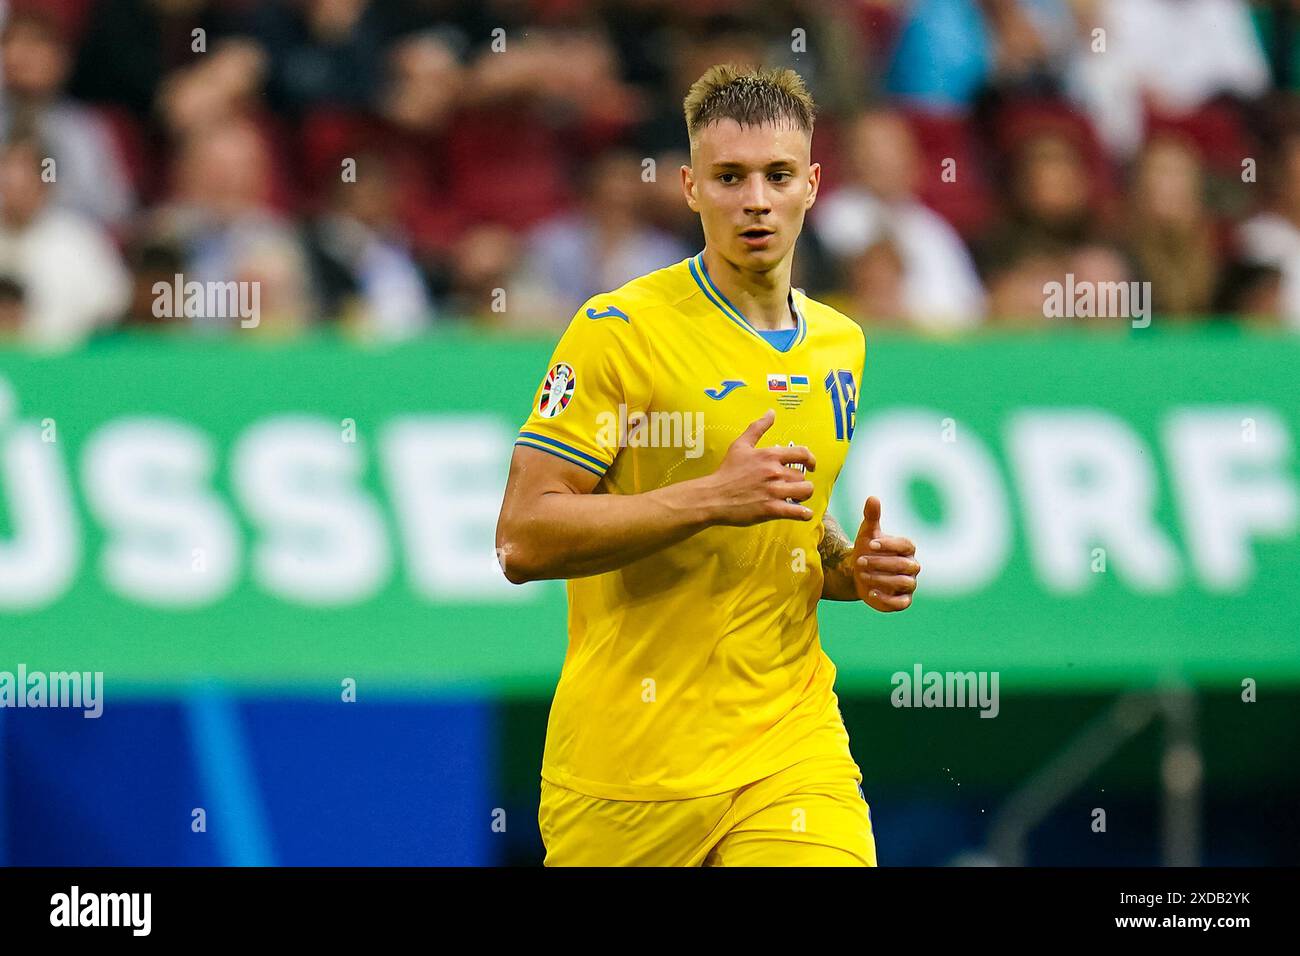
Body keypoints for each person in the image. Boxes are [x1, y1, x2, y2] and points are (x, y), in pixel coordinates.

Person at [494, 64, 921, 867]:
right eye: (729, 177)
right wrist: (708, 498)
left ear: (813, 185)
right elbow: (522, 538)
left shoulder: (842, 344)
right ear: (691, 187)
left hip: (788, 745)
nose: (754, 199)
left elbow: (786, 524)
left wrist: (845, 568)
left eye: (776, 175)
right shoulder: (619, 330)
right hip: (628, 775)